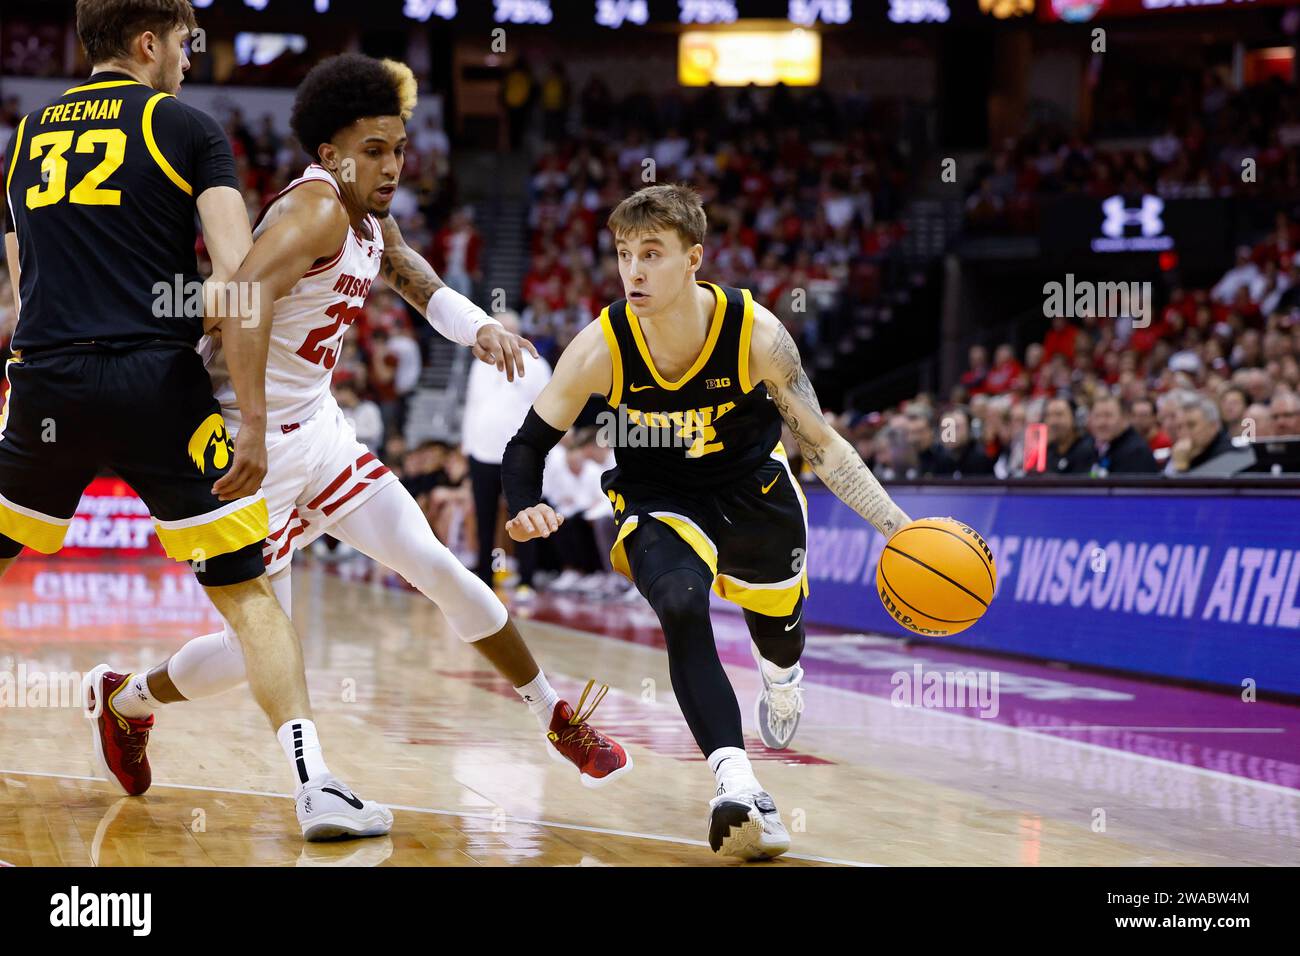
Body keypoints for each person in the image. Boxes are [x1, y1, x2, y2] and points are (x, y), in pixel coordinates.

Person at [94, 55, 630, 814]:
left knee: (434, 563)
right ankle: (128, 704)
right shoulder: (313, 211)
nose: (392, 165)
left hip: (317, 428)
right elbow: (241, 300)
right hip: (249, 445)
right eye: (373, 151)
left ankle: (553, 714)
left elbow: (410, 272)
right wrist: (246, 423)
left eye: (400, 148)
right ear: (329, 154)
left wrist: (479, 328)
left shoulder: (370, 217)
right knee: (255, 653)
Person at [1, 0, 385, 840]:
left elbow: (18, 281)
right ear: (149, 42)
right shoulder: (189, 128)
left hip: (47, 381)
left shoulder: (25, 136)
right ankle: (316, 785)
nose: (186, 58)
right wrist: (248, 412)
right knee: (251, 600)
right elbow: (240, 278)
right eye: (182, 42)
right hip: (156, 384)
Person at [500, 184, 912, 860]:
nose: (633, 270)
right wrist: (524, 504)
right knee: (682, 604)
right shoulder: (601, 347)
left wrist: (896, 527)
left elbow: (823, 442)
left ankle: (781, 677)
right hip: (658, 497)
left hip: (754, 491)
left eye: (652, 254)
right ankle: (737, 783)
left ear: (694, 259)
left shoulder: (756, 333)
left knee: (780, 637)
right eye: (625, 253)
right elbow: (527, 445)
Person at [461, 310, 551, 598]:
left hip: (519, 455)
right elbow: (472, 406)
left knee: (524, 517)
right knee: (485, 517)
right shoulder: (480, 365)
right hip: (482, 451)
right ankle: (485, 579)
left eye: (508, 329)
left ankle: (526, 579)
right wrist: (467, 447)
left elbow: (548, 408)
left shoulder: (536, 365)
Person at [1086, 395, 1158, 475]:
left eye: (1108, 416)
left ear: (1124, 418)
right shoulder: (1086, 448)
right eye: (1097, 416)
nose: (1101, 422)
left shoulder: (1137, 453)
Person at [1169, 393, 1237, 474]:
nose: (1183, 432)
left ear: (1213, 426)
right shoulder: (1182, 454)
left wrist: (1181, 468)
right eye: (1179, 427)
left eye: (1191, 425)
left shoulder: (1229, 457)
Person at [1042, 396, 1093, 474]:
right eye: (1048, 415)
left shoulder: (1088, 449)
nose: (1052, 422)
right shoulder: (1047, 451)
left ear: (1075, 419)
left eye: (1059, 415)